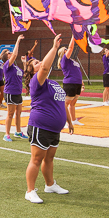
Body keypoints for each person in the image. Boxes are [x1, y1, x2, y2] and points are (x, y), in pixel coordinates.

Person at [23, 34, 70, 203]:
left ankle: (50, 185)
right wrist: (55, 47)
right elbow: (44, 67)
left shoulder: (54, 83)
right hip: (40, 126)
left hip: (54, 129)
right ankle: (30, 191)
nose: (40, 63)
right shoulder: (36, 82)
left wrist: (69, 121)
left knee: (49, 158)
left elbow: (62, 103)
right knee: (36, 159)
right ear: (31, 71)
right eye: (35, 63)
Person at [3, 36, 27, 142]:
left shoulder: (15, 67)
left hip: (18, 92)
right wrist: (18, 41)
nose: (11, 53)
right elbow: (15, 55)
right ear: (6, 57)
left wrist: (24, 62)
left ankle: (18, 131)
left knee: (18, 113)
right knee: (10, 114)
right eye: (8, 53)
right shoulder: (6, 65)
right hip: (10, 92)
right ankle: (6, 134)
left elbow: (24, 74)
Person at [58, 40, 85, 128]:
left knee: (73, 103)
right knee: (65, 104)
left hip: (77, 83)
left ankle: (73, 120)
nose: (67, 50)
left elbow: (77, 72)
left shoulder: (72, 61)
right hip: (70, 83)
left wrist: (82, 83)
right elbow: (71, 47)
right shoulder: (64, 59)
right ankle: (64, 121)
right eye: (65, 49)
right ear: (63, 52)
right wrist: (73, 37)